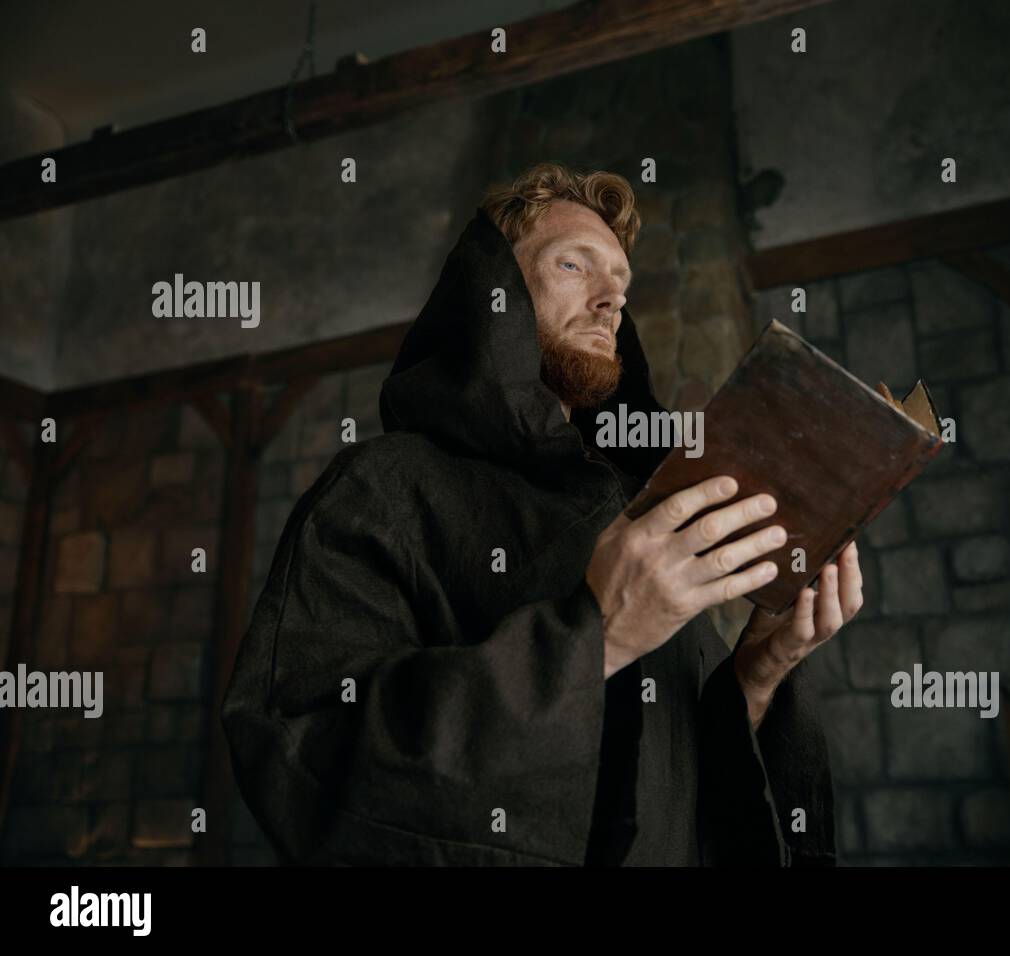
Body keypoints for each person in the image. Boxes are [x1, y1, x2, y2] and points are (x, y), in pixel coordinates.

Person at [221, 162, 863, 866]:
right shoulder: (383, 486)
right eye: (573, 265)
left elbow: (680, 803)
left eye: (620, 285)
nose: (610, 301)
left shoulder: (634, 513)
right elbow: (300, 758)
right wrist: (597, 637)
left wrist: (759, 676)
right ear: (491, 293)